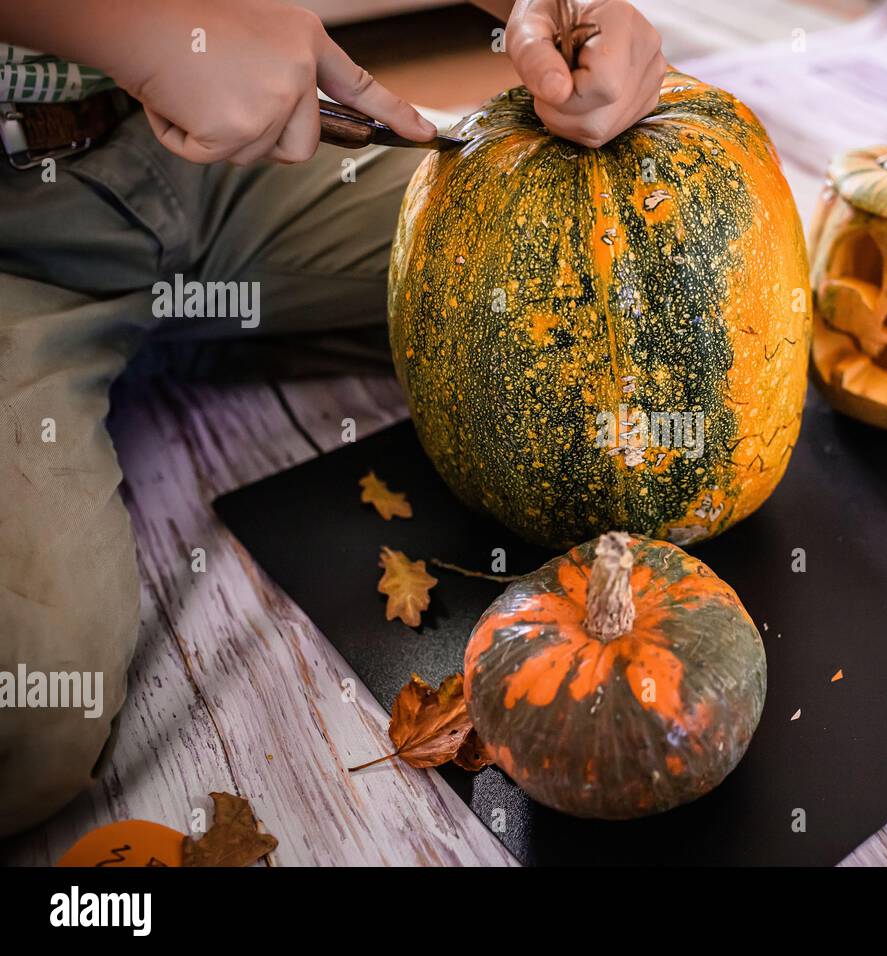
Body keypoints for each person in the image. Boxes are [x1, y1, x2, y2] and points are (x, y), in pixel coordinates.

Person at [0, 0, 666, 837]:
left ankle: (200, 325)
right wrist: (140, 26)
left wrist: (553, 7)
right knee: (27, 723)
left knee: (592, 264)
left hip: (209, 142)